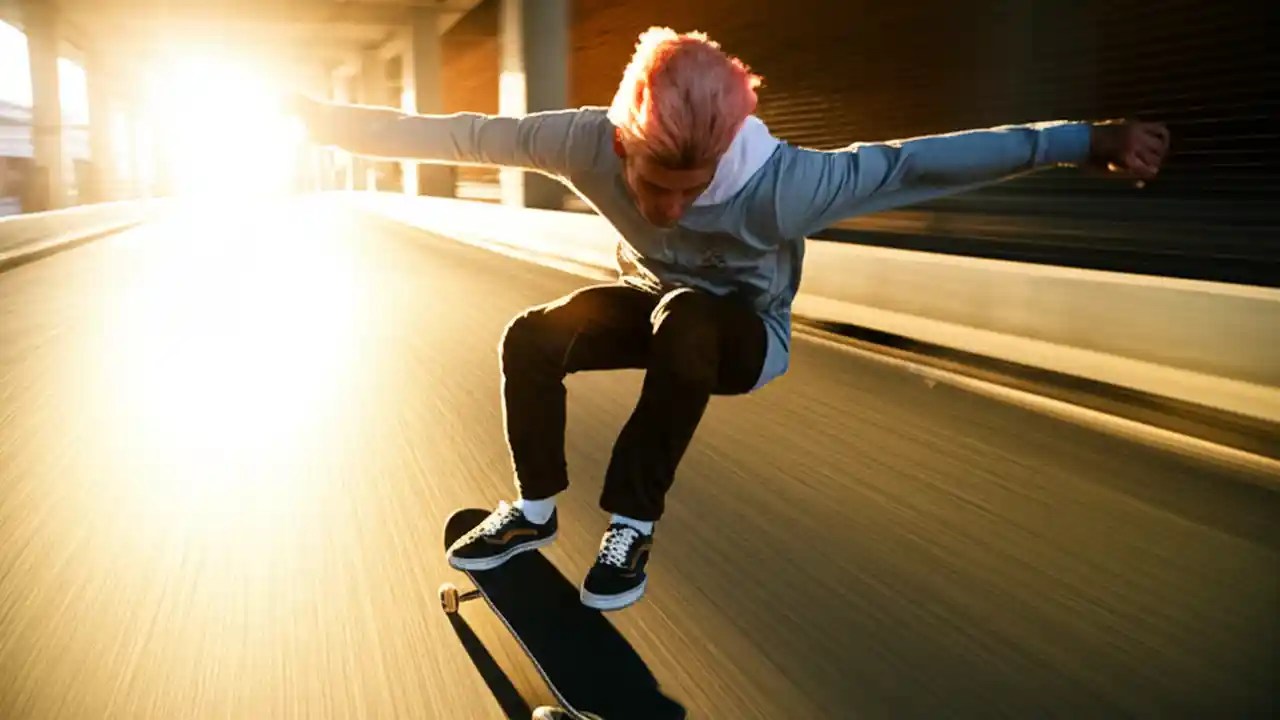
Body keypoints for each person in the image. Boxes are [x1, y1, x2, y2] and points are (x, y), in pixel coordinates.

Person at [288, 27, 1170, 611]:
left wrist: (1086, 139)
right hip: (652, 307)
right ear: (621, 145)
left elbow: (922, 164)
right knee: (531, 334)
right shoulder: (582, 140)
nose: (668, 212)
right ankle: (534, 509)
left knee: (689, 318)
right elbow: (464, 133)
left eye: (692, 189)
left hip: (740, 339)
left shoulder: (791, 183)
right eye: (648, 189)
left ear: (722, 157)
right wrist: (328, 121)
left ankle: (629, 527)